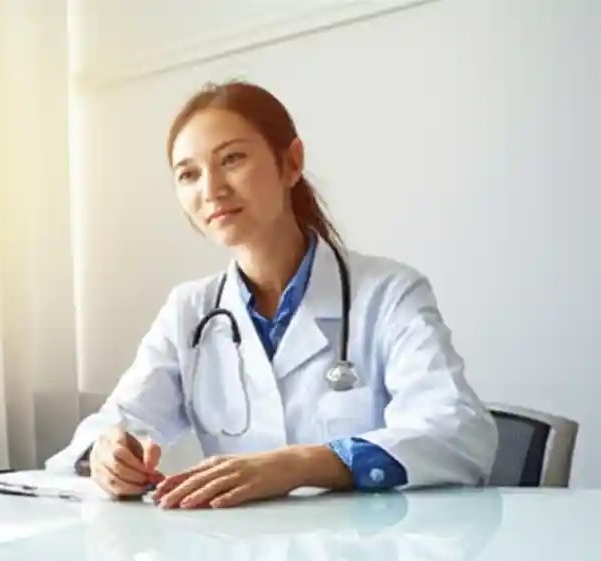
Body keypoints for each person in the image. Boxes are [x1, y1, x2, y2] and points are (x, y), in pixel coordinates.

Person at [46, 81, 496, 510]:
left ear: (292, 163)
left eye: (232, 159)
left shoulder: (388, 293)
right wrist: (107, 456)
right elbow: (115, 424)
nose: (211, 189)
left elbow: (457, 432)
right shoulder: (190, 311)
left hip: (365, 553)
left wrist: (301, 465)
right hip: (239, 554)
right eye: (188, 174)